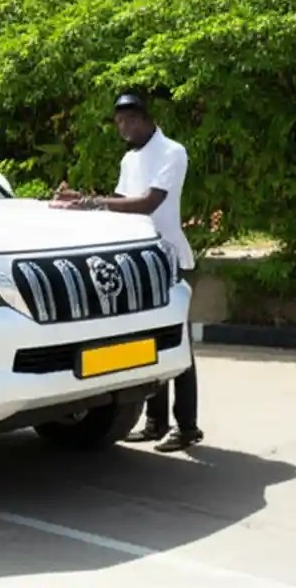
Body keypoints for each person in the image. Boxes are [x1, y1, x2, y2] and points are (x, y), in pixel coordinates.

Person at [50, 92, 202, 452]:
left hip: (168, 257)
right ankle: (155, 421)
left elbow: (148, 203)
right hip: (137, 260)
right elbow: (119, 208)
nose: (123, 128)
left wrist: (90, 202)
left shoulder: (172, 152)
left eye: (129, 121)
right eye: (118, 122)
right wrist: (81, 202)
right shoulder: (129, 159)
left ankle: (187, 425)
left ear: (146, 118)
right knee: (148, 342)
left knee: (177, 342)